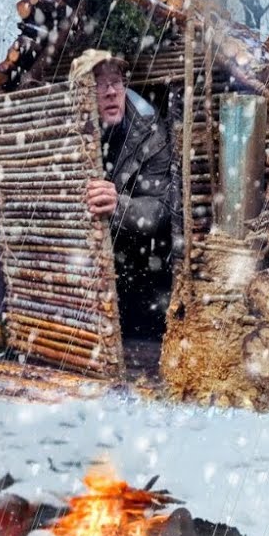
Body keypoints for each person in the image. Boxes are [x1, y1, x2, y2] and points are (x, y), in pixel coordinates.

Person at [72, 50, 174, 338]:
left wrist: (118, 206)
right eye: (99, 84)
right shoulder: (64, 130)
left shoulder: (149, 130)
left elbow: (159, 208)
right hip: (81, 261)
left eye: (116, 82)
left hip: (138, 258)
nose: (110, 92)